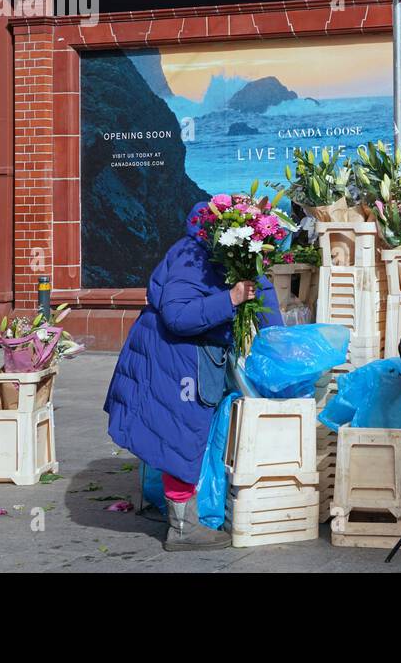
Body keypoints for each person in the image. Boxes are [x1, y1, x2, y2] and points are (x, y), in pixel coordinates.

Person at [104, 201, 285, 551]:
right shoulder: (192, 256)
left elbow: (261, 292)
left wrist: (279, 343)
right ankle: (183, 529)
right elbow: (178, 316)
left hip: (192, 356)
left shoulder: (235, 256)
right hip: (174, 356)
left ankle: (184, 519)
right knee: (179, 434)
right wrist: (231, 298)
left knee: (183, 435)